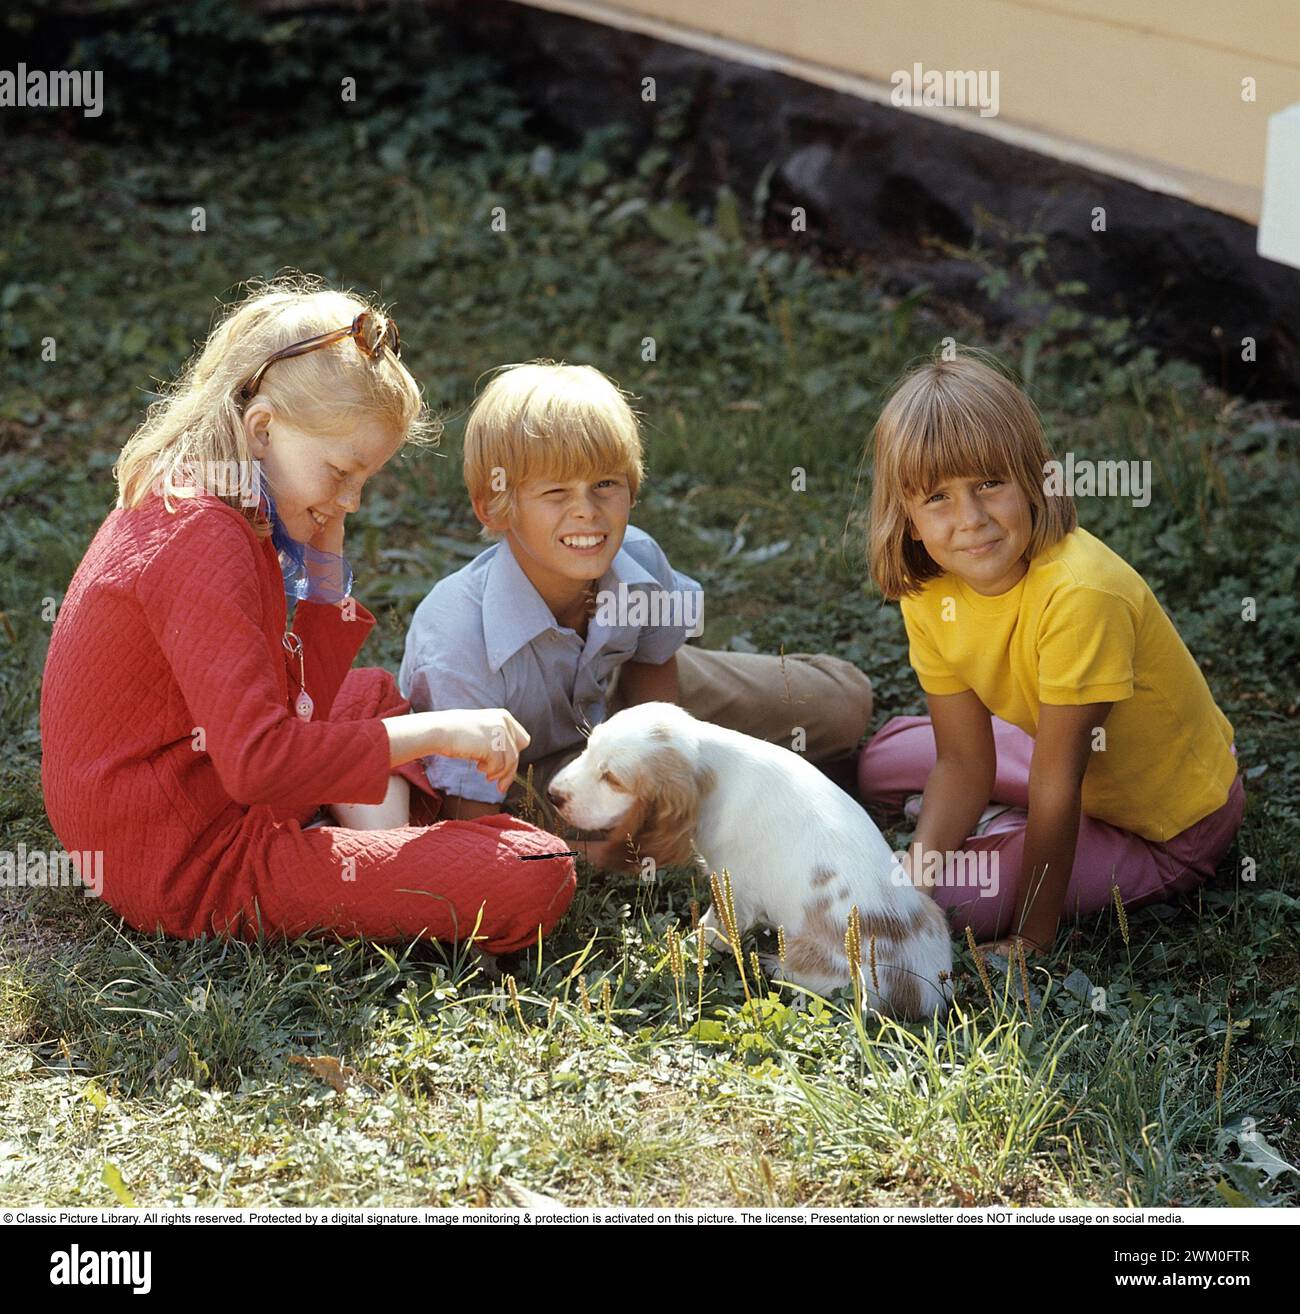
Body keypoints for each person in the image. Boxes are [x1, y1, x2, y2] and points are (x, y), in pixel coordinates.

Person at [39, 276, 576, 952]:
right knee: (537, 871)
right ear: (262, 428)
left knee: (371, 695)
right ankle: (377, 856)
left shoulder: (211, 498)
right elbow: (262, 761)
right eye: (341, 471)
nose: (351, 500)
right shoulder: (202, 535)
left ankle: (373, 853)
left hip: (191, 797)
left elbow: (305, 700)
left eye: (363, 482)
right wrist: (440, 732)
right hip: (190, 861)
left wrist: (324, 541)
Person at [399, 360, 875, 866]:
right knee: (585, 845)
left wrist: (658, 780)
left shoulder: (641, 561)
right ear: (494, 507)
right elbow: (470, 816)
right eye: (555, 491)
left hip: (624, 714)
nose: (587, 510)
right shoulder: (456, 636)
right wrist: (614, 844)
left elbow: (652, 673)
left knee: (845, 707)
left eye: (605, 483)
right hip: (524, 777)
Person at [857, 348, 1244, 956]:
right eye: (937, 498)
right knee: (879, 765)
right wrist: (915, 877)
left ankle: (1011, 834)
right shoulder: (932, 588)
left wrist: (1029, 940)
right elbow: (961, 761)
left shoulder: (1080, 594)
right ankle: (1001, 826)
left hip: (1165, 824)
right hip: (1056, 757)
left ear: (1036, 478)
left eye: (990, 483)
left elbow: (1058, 783)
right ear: (906, 517)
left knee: (959, 902)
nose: (971, 520)